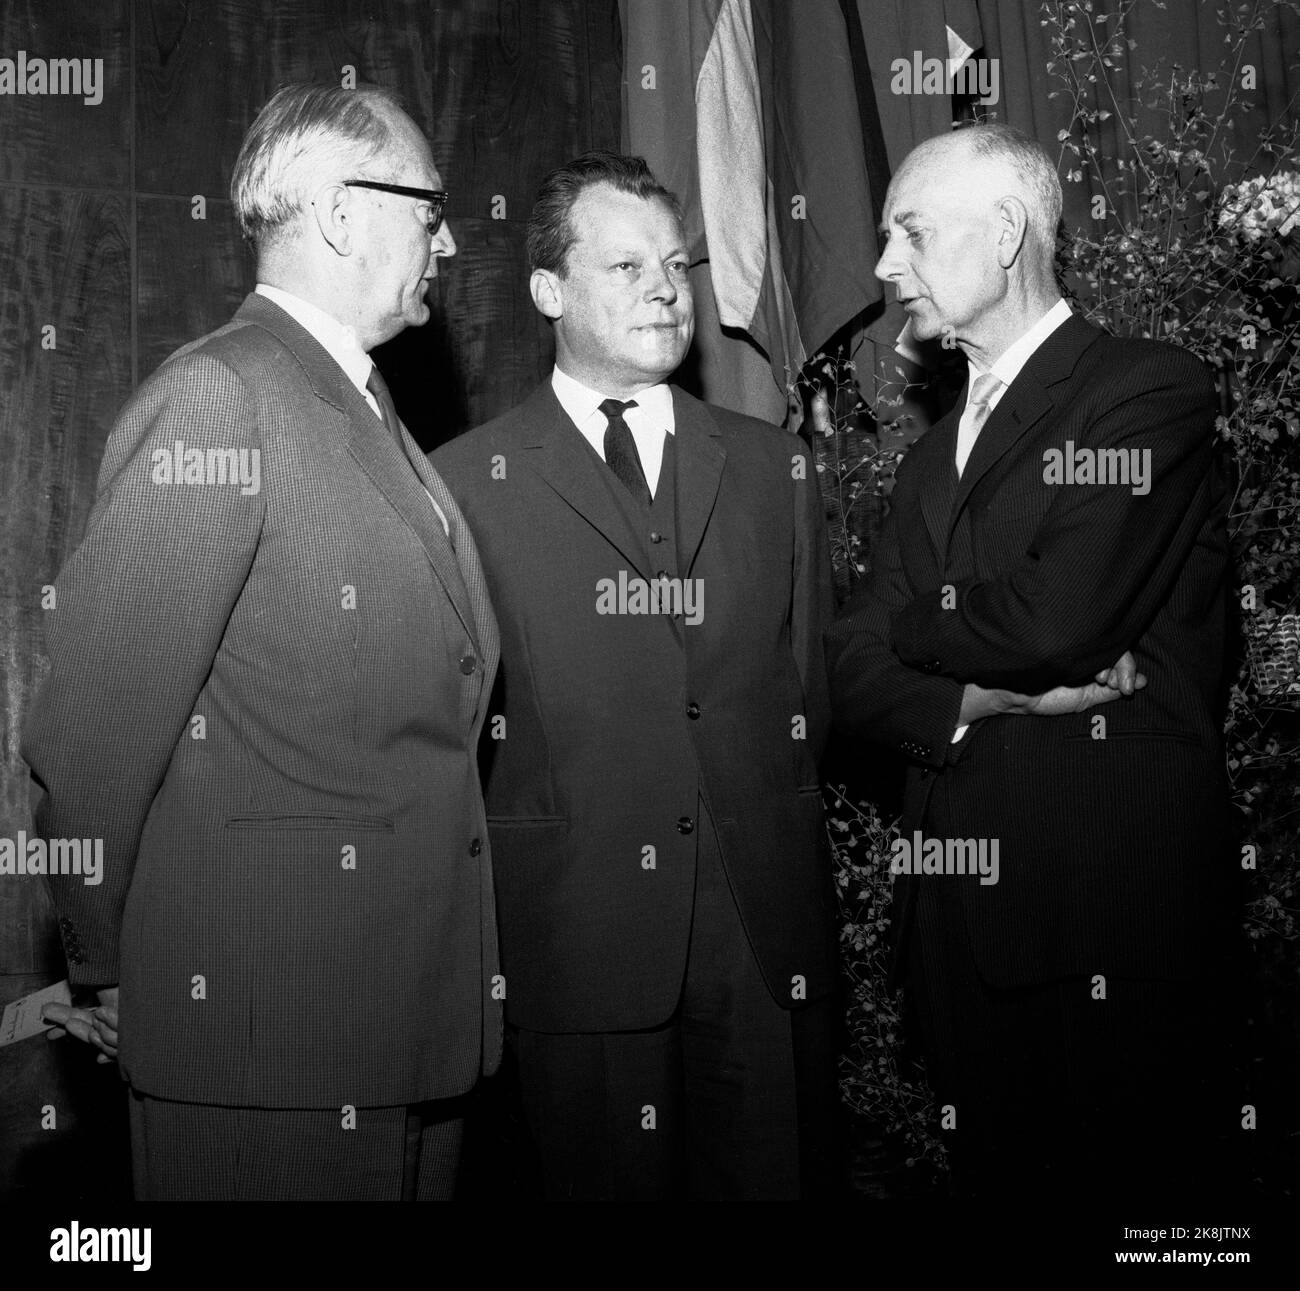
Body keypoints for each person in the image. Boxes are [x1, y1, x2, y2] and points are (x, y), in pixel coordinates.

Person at [23, 82, 501, 1200]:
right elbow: (87, 744)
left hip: (406, 1025)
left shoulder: (366, 409)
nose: (447, 235)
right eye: (429, 208)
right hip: (265, 1040)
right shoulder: (220, 400)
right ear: (343, 212)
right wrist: (110, 971)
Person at [826, 123, 1235, 1203]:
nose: (881, 267)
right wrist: (974, 688)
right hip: (957, 940)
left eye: (909, 232)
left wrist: (917, 624)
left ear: (1006, 232)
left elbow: (1058, 620)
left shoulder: (1149, 392)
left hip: (1104, 921)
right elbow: (845, 666)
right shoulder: (926, 457)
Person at [431, 151, 840, 1200]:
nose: (665, 288)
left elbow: (807, 692)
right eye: (625, 267)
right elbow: (451, 730)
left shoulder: (771, 467)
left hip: (760, 939)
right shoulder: (462, 484)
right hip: (574, 942)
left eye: (675, 263)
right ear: (548, 292)